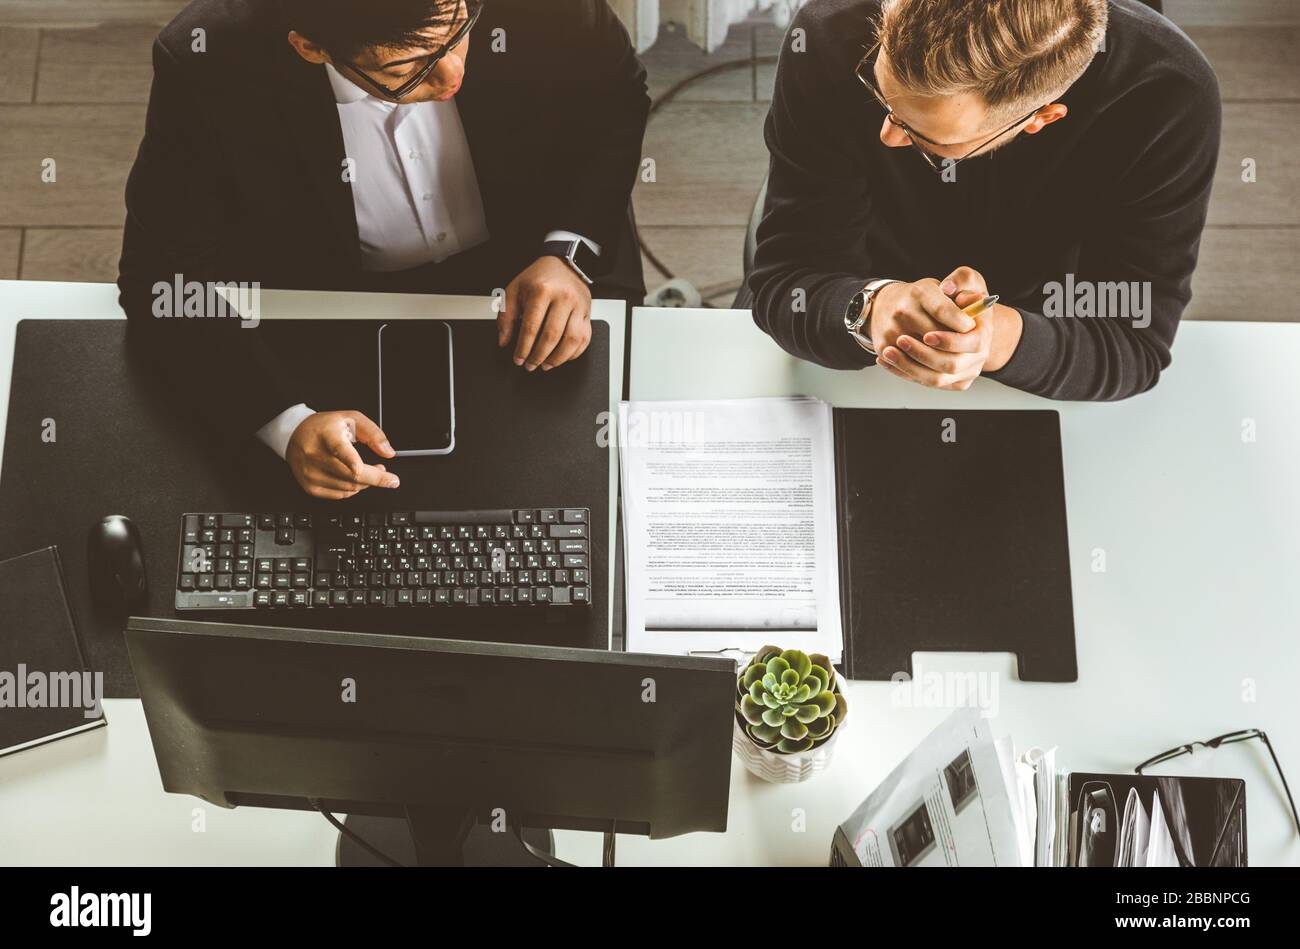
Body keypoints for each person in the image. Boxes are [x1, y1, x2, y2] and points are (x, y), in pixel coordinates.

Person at [118, 0, 649, 499]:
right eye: (408, 70)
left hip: (542, 257)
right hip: (333, 301)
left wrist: (570, 251)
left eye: (459, 31)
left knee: (589, 479)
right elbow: (162, 279)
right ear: (311, 48)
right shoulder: (206, 61)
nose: (453, 77)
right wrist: (284, 422)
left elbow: (619, 95)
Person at [748, 0, 1220, 400]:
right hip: (849, 321)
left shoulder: (1167, 95)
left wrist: (991, 339)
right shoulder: (829, 31)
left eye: (918, 132)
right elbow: (787, 279)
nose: (886, 135)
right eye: (879, 92)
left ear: (1042, 119)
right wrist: (872, 306)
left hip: (1050, 326)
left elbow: (1132, 342)